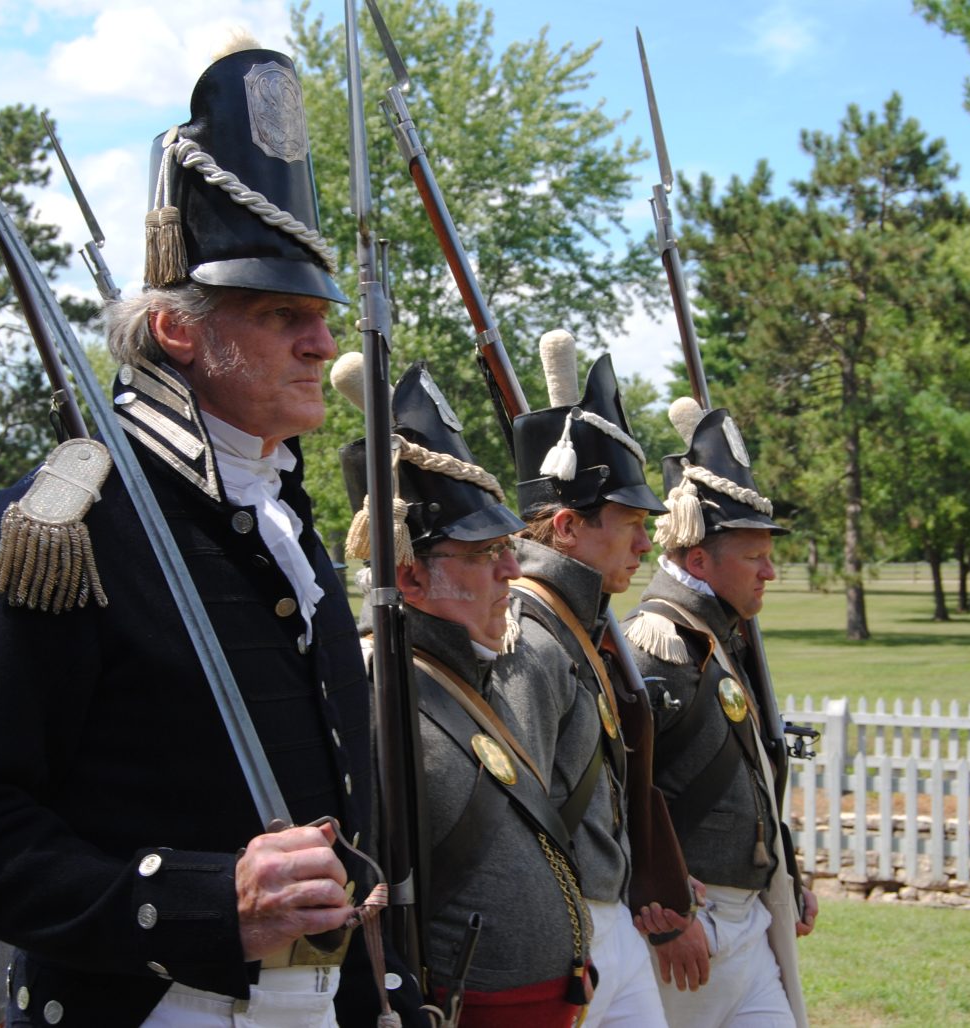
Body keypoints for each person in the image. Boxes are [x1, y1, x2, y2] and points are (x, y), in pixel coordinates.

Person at [0, 34, 419, 1028]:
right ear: (182, 331)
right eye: (283, 315)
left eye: (322, 312)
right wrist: (201, 899)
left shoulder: (279, 519)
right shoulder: (58, 529)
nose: (324, 341)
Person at [335, 358, 593, 1027]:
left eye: (507, 546)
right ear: (411, 579)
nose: (513, 566)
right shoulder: (371, 693)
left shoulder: (488, 666)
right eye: (483, 554)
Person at [495, 332, 697, 1028]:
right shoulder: (530, 632)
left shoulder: (584, 624)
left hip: (612, 920)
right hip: (569, 927)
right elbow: (518, 815)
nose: (647, 543)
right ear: (568, 525)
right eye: (632, 523)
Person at [621, 398, 815, 1027]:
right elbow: (619, 794)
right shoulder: (656, 642)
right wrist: (659, 909)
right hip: (690, 926)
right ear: (699, 560)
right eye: (754, 557)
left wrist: (785, 861)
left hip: (751, 915)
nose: (771, 571)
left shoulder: (722, 637)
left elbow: (752, 772)